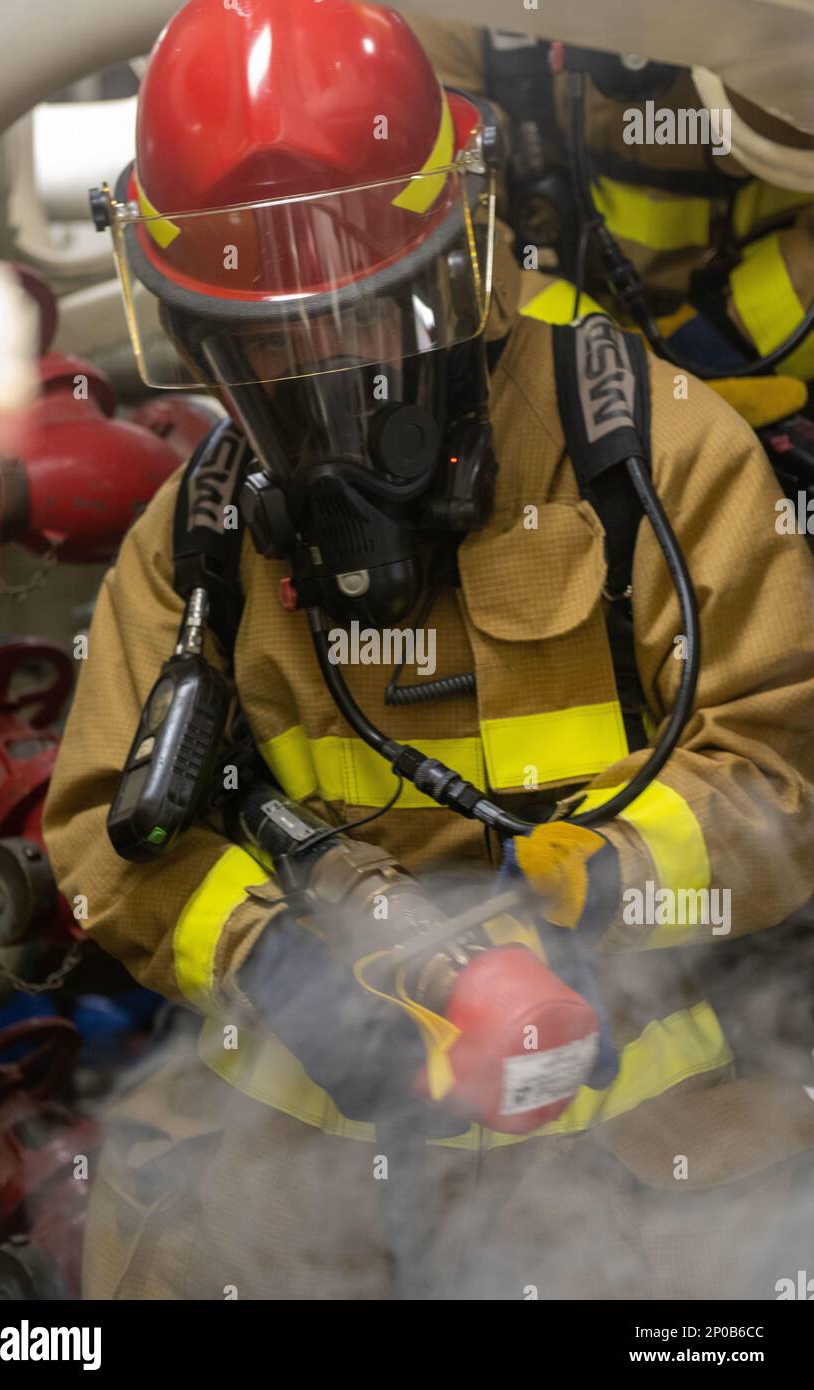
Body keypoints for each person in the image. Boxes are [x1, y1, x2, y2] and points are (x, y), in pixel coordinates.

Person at [44, 0, 814, 1301]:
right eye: (266, 342)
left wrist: (587, 903)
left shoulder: (649, 451)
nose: (319, 381)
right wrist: (271, 955)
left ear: (454, 256)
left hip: (639, 1192)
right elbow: (96, 840)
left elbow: (784, 772)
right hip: (300, 1198)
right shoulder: (207, 528)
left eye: (360, 318)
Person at [403, 15, 814, 432]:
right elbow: (448, 241)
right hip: (558, 352)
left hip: (779, 330)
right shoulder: (453, 16)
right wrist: (591, 362)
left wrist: (723, 338)